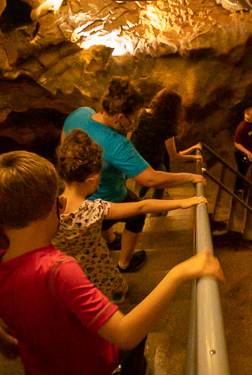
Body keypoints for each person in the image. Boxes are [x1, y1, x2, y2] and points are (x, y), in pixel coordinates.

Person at [0, 150, 225, 375]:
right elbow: (126, 334)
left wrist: (12, 348)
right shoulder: (60, 270)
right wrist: (178, 273)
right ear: (57, 203)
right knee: (136, 338)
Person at [0, 129, 209, 305]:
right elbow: (142, 207)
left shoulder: (42, 210)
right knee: (108, 302)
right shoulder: (93, 211)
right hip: (96, 273)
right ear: (93, 179)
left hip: (58, 277)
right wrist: (187, 202)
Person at [62, 76, 206, 274]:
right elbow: (151, 179)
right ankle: (125, 263)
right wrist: (189, 177)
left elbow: (64, 144)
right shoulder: (117, 144)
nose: (136, 123)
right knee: (136, 217)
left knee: (107, 222)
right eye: (134, 118)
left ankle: (112, 241)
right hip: (108, 197)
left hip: (78, 194)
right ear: (121, 117)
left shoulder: (80, 114)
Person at [130, 88, 202, 202]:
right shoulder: (167, 125)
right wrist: (194, 157)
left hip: (136, 159)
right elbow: (174, 156)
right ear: (175, 108)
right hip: (154, 162)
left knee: (149, 176)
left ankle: (140, 197)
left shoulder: (141, 114)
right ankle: (155, 211)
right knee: (161, 176)